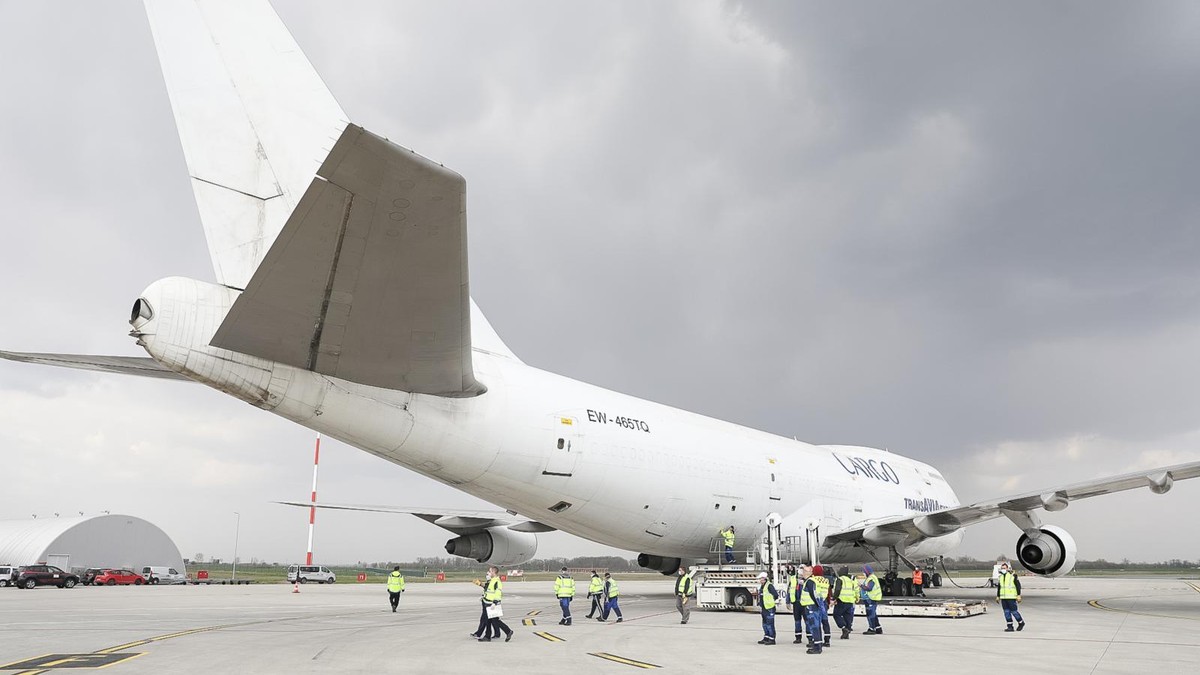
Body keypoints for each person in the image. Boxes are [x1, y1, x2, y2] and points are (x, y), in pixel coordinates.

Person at [480, 566, 513, 642]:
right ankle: (488, 636)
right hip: (487, 602)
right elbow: (488, 591)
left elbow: (498, 593)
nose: (488, 572)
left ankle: (508, 631)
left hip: (492, 604)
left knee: (494, 620)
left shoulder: (497, 582)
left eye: (490, 571)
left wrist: (495, 603)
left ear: (494, 572)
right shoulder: (492, 580)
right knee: (489, 620)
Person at [797, 566, 822, 654]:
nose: (802, 573)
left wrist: (816, 604)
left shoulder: (810, 582)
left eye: (804, 571)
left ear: (809, 572)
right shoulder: (808, 581)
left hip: (811, 606)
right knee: (814, 626)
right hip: (810, 606)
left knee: (814, 626)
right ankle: (817, 644)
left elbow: (813, 594)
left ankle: (817, 647)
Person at [996, 562, 1025, 632]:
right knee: (1006, 612)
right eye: (1002, 568)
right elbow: (999, 587)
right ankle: (1010, 626)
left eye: (1004, 568)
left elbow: (1018, 586)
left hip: (1011, 597)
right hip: (1004, 598)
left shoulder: (1013, 576)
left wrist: (1018, 595)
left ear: (1008, 569)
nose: (1003, 569)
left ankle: (1021, 622)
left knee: (1014, 612)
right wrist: (998, 596)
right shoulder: (1001, 577)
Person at [832, 566, 856, 639]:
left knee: (836, 615)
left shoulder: (840, 579)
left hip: (842, 600)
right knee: (847, 616)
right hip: (850, 600)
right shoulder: (850, 580)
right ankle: (847, 630)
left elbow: (837, 589)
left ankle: (843, 628)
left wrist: (834, 598)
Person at [811, 565, 832, 648]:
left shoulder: (813, 580)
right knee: (825, 621)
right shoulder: (826, 580)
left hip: (817, 602)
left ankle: (816, 639)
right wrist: (829, 601)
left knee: (817, 622)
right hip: (824, 603)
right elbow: (829, 592)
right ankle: (827, 640)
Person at [756, 572, 779, 645]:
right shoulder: (763, 586)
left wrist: (770, 602)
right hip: (764, 607)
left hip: (769, 607)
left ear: (764, 579)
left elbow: (775, 595)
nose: (760, 580)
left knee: (770, 624)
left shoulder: (769, 586)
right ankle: (766, 637)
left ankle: (772, 639)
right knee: (765, 624)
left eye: (760, 579)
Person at [860, 565, 883, 635]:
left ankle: (872, 628)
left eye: (864, 572)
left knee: (870, 614)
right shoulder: (871, 578)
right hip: (870, 599)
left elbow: (869, 588)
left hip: (870, 599)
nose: (863, 573)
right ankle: (878, 627)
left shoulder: (871, 578)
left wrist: (861, 586)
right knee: (873, 614)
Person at [786, 565, 805, 643]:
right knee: (797, 621)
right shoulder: (793, 579)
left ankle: (810, 638)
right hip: (796, 603)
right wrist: (788, 601)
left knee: (807, 621)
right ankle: (798, 637)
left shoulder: (808, 579)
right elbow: (789, 591)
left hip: (805, 603)